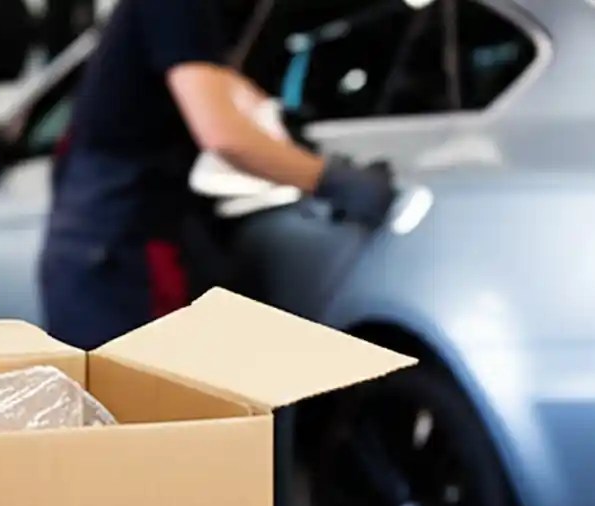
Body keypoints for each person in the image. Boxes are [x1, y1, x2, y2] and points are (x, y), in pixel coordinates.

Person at [40, 0, 397, 351]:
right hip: (119, 252)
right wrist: (327, 177)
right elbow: (222, 135)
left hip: (116, 239)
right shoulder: (177, 6)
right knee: (136, 386)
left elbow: (220, 83)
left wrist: (279, 134)